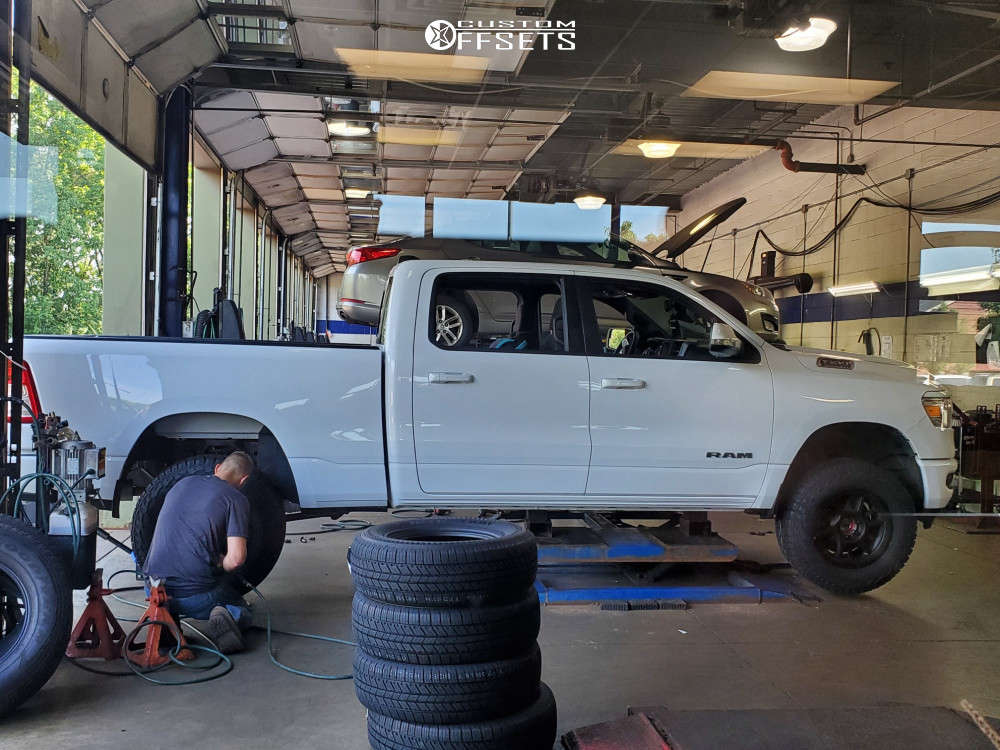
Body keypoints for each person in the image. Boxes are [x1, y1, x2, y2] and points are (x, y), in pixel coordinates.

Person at [143, 451, 255, 653]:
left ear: (217, 468)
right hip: (194, 595)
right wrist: (221, 562)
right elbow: (236, 559)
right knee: (244, 609)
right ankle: (228, 614)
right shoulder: (236, 499)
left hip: (152, 588)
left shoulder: (182, 483)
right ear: (244, 480)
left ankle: (167, 623)